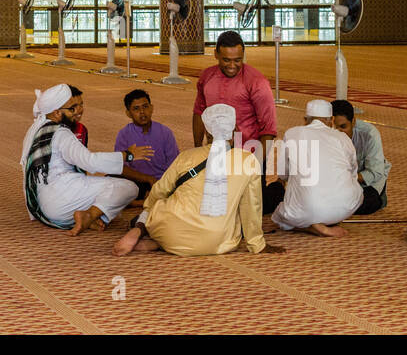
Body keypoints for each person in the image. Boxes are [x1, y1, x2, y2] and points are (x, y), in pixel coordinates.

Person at [113, 104, 284, 258]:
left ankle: (146, 232)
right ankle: (163, 243)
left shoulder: (187, 156)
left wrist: (147, 211)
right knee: (234, 214)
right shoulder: (248, 160)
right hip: (219, 241)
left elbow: (159, 191)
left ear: (208, 132)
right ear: (235, 130)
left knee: (154, 207)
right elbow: (251, 205)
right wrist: (257, 244)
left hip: (171, 232)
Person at [21, 83, 151, 236]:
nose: (79, 111)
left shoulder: (36, 129)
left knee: (97, 187)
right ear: (56, 113)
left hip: (42, 206)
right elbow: (89, 161)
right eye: (72, 108)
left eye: (81, 105)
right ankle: (90, 216)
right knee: (128, 188)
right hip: (62, 201)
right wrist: (127, 155)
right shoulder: (61, 133)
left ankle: (90, 218)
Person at [192, 30, 282, 212]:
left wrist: (251, 168)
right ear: (216, 54)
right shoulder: (207, 77)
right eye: (226, 60)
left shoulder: (257, 82)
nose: (232, 66)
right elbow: (198, 112)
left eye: (237, 60)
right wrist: (197, 150)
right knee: (192, 193)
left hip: (249, 155)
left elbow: (269, 131)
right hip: (216, 153)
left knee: (263, 199)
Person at [270, 99, 362, 238]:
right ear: (331, 120)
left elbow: (284, 173)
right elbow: (353, 171)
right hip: (347, 206)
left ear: (305, 119)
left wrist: (284, 181)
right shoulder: (342, 137)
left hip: (310, 208)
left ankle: (314, 227)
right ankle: (329, 220)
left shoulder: (293, 133)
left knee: (279, 216)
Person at [114, 89, 180, 199]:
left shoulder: (165, 132)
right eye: (136, 109)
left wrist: (161, 184)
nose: (142, 112)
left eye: (145, 107)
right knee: (110, 180)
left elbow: (174, 165)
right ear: (128, 113)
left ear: (152, 108)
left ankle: (141, 200)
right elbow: (121, 167)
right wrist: (147, 179)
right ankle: (144, 200)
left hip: (161, 182)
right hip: (136, 182)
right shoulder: (124, 134)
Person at [331, 99, 391, 215]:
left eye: (343, 127)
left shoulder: (369, 134)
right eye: (334, 128)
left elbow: (375, 172)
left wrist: (345, 177)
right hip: (338, 183)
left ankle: (380, 197)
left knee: (360, 204)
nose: (339, 133)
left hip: (366, 184)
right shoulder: (325, 133)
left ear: (353, 121)